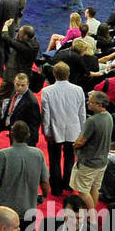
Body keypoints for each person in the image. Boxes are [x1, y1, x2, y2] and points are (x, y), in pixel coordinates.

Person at [41, 60, 85, 197]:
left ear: (54, 74)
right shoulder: (78, 90)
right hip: (74, 130)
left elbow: (46, 114)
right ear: (69, 74)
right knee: (70, 158)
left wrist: (46, 131)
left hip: (55, 130)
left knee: (54, 159)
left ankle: (56, 188)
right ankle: (68, 184)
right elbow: (82, 113)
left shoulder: (47, 91)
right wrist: (82, 132)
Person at [71, 91, 113, 208]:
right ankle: (92, 211)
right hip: (102, 161)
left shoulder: (92, 121)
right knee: (95, 188)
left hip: (89, 162)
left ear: (99, 105)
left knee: (83, 191)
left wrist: (74, 145)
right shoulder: (109, 116)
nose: (88, 103)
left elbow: (80, 142)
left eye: (91, 102)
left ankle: (91, 213)